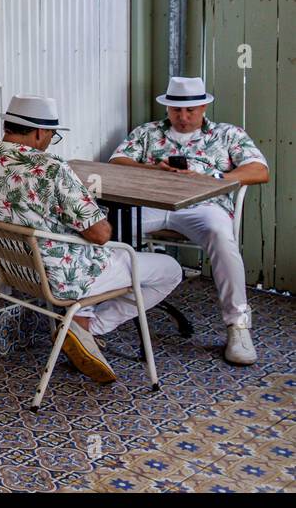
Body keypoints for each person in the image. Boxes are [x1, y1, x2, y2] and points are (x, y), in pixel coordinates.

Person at [0, 94, 182, 383]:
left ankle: (78, 323)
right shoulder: (51, 170)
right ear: (40, 132)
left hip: (15, 271)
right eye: (52, 135)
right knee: (169, 270)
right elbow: (100, 235)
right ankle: (88, 327)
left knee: (81, 244)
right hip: (64, 277)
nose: (51, 141)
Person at [110, 76, 270, 366]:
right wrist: (152, 170)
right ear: (167, 108)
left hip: (203, 206)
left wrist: (214, 177)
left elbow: (259, 170)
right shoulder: (148, 132)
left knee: (222, 237)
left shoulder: (227, 134)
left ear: (204, 106)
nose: (183, 117)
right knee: (105, 229)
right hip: (152, 204)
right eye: (176, 110)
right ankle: (93, 312)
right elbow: (117, 163)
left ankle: (238, 325)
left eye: (190, 111)